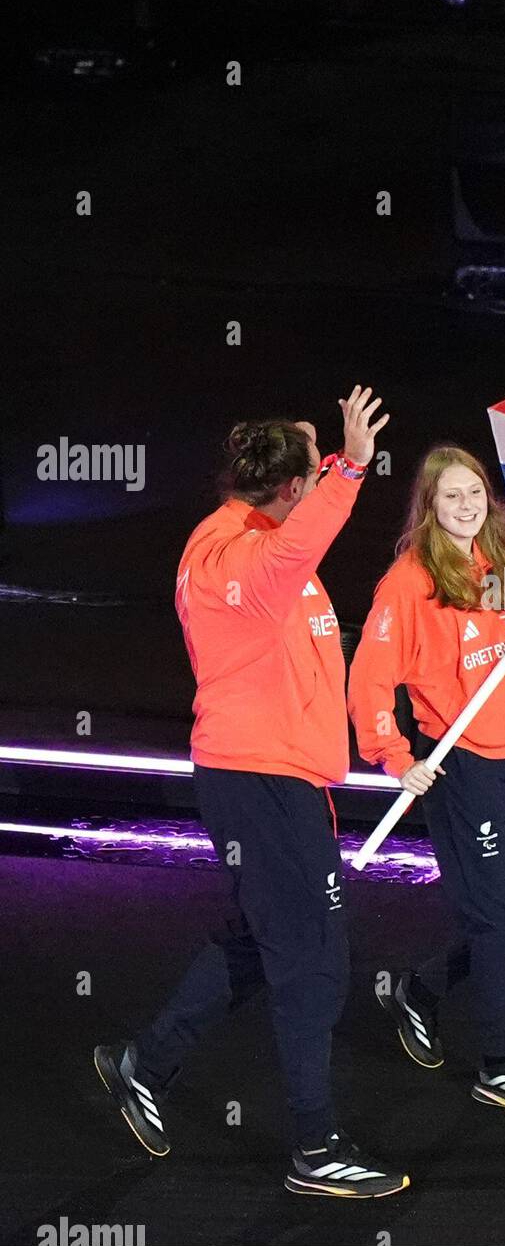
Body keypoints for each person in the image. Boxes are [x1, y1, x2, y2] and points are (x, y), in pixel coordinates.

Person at [94, 385, 410, 1199]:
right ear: (293, 488)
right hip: (255, 779)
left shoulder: (268, 534)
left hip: (285, 778)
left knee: (263, 940)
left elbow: (296, 534)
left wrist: (327, 463)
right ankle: (316, 1149)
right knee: (313, 962)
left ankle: (145, 1063)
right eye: (312, 462)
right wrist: (353, 468)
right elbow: (290, 552)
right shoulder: (234, 555)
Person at [349, 444, 505, 1109]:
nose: (464, 507)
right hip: (457, 769)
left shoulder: (500, 569)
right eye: (450, 496)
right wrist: (394, 756)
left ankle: (420, 991)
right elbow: (370, 678)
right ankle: (499, 1064)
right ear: (428, 506)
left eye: (473, 494)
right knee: (496, 917)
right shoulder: (411, 583)